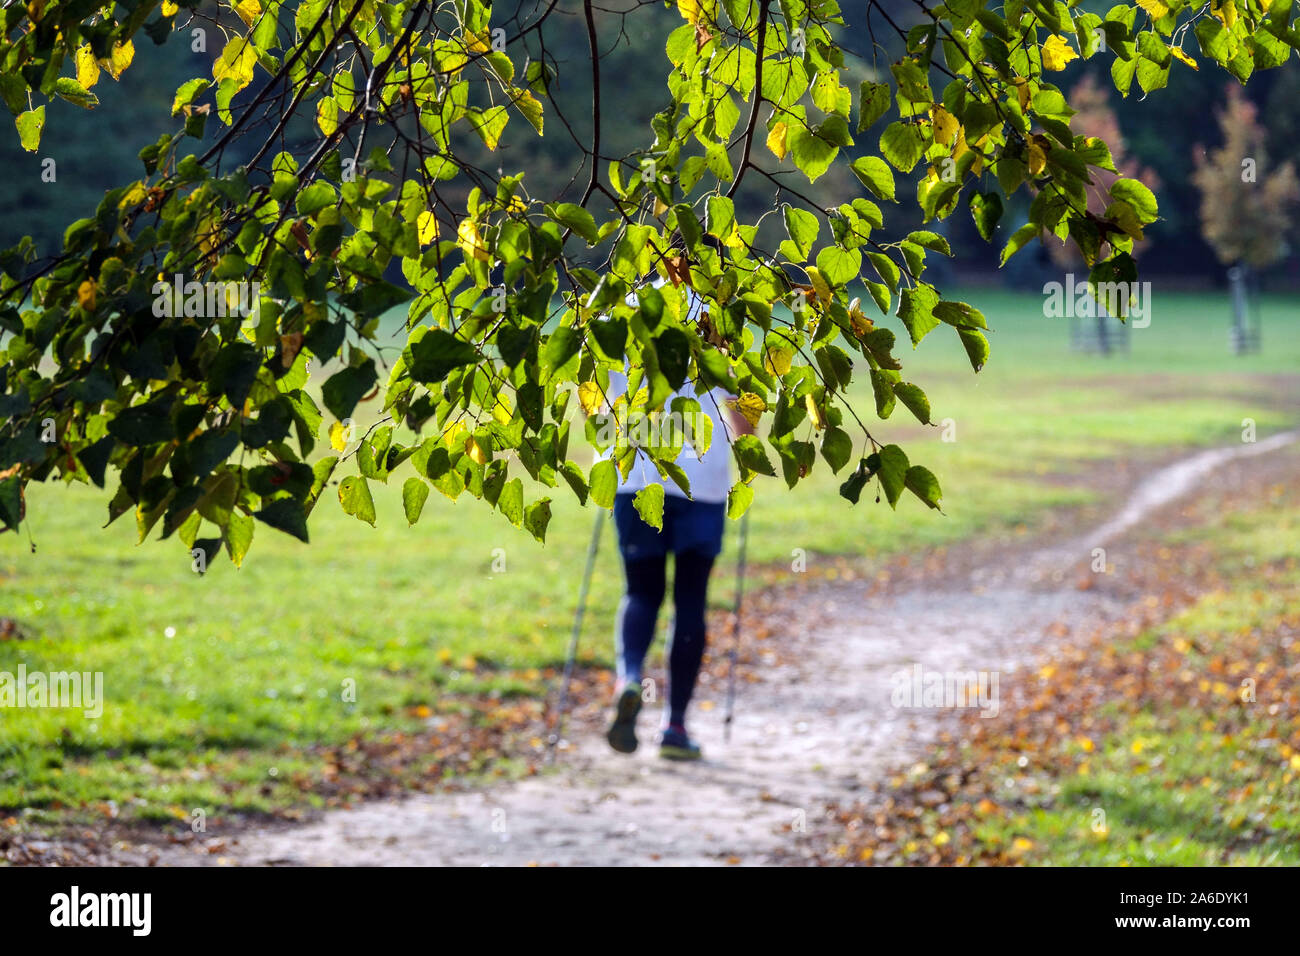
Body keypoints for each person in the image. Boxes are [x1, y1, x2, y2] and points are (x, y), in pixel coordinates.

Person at [596, 277, 754, 761]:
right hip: (702, 482)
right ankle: (676, 728)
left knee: (640, 591)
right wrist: (744, 458)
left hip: (636, 475)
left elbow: (598, 405)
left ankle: (628, 679)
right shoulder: (718, 317)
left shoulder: (615, 315)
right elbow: (743, 415)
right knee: (690, 601)